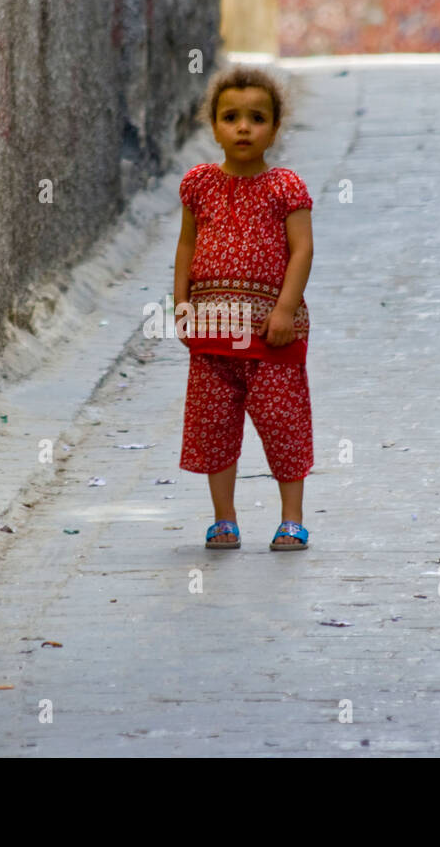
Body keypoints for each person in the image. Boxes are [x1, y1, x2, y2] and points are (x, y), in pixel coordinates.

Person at [173, 65, 315, 550]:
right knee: (216, 425)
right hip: (212, 332)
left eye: (257, 118)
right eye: (231, 117)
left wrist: (284, 310)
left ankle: (291, 518)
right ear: (212, 126)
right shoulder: (198, 185)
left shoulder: (285, 188)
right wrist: (180, 305)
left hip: (272, 333)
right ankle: (224, 519)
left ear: (275, 128)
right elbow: (186, 247)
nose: (243, 127)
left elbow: (302, 251)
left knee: (282, 422)